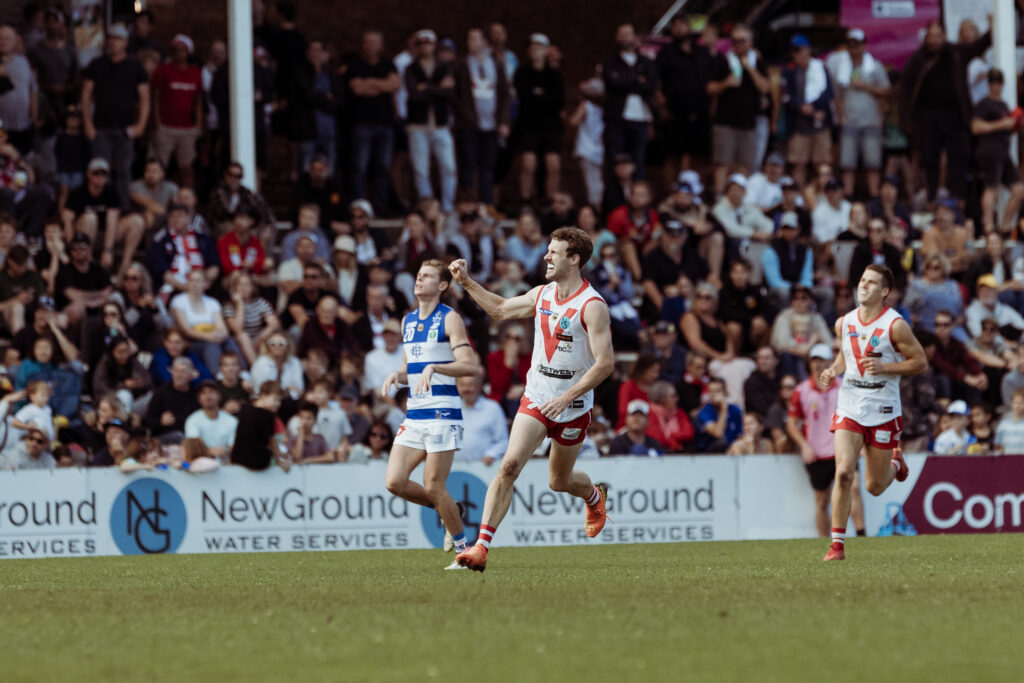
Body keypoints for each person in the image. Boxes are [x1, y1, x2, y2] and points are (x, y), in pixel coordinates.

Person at [450, 227, 614, 571]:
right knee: (509, 466)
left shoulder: (592, 305)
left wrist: (568, 396)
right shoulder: (543, 294)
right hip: (537, 397)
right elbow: (499, 309)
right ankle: (481, 548)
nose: (546, 257)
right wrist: (465, 282)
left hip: (573, 408)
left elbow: (606, 363)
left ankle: (594, 497)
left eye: (554, 252)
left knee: (559, 482)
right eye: (547, 251)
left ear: (575, 259)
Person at [819, 264, 927, 560]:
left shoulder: (895, 325)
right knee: (843, 473)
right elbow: (845, 356)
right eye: (862, 280)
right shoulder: (844, 322)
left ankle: (896, 463)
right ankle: (837, 545)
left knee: (875, 486)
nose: (863, 286)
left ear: (884, 291)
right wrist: (832, 370)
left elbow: (920, 362)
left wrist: (886, 367)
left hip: (883, 410)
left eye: (871, 283)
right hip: (850, 406)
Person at [380, 259, 479, 569]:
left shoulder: (450, 319)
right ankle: (449, 509)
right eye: (418, 275)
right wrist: (397, 375)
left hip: (442, 413)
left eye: (427, 276)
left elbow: (470, 365)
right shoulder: (407, 320)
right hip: (415, 415)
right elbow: (411, 369)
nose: (419, 280)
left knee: (434, 486)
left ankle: (464, 553)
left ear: (442, 285)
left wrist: (435, 367)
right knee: (395, 482)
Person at [786, 343, 864, 537]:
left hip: (843, 447)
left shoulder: (845, 385)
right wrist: (803, 445)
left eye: (822, 360)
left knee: (853, 487)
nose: (818, 364)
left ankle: (862, 534)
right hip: (817, 452)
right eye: (815, 360)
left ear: (831, 361)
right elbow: (791, 423)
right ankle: (826, 541)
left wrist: (860, 442)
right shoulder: (801, 391)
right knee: (822, 501)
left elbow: (858, 415)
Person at [80, 24, 150, 209]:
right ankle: (102, 207)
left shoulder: (135, 66)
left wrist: (140, 125)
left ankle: (122, 209)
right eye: (110, 38)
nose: (113, 42)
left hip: (125, 129)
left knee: (123, 171)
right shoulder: (97, 64)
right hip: (100, 127)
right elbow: (86, 94)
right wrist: (87, 123)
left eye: (117, 38)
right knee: (100, 170)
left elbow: (144, 97)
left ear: (125, 42)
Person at [831, 28, 889, 198]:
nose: (854, 49)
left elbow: (886, 91)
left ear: (864, 46)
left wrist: (866, 86)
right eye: (851, 46)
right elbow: (837, 96)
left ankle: (874, 196)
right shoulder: (842, 68)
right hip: (850, 122)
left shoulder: (875, 67)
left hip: (871, 122)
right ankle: (848, 195)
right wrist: (842, 116)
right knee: (847, 163)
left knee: (873, 164)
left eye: (857, 45)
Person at [404, 30, 457, 212]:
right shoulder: (411, 68)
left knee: (448, 167)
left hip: (440, 124)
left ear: (434, 45)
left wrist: (426, 87)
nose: (424, 46)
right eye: (421, 43)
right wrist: (437, 89)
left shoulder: (444, 66)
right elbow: (414, 94)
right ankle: (427, 208)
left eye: (428, 43)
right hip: (418, 125)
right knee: (420, 169)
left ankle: (447, 206)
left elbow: (449, 92)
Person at [514, 33, 564, 204]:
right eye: (532, 48)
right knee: (528, 165)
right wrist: (542, 98)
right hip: (529, 125)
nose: (535, 51)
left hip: (551, 126)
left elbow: (558, 101)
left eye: (539, 48)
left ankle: (551, 202)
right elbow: (525, 97)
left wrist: (538, 97)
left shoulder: (554, 75)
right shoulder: (522, 73)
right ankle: (525, 200)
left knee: (554, 166)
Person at [149, 34, 202, 188]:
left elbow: (198, 101)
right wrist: (157, 122)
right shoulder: (163, 71)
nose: (179, 53)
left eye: (183, 50)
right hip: (165, 126)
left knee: (186, 167)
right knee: (159, 166)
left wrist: (198, 124)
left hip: (187, 128)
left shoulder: (195, 73)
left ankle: (187, 199)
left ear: (188, 52)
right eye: (176, 50)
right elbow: (155, 98)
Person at [231, 380, 290, 471]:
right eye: (275, 399)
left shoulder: (246, 409)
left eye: (279, 401)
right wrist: (279, 460)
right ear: (262, 396)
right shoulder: (267, 414)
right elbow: (271, 440)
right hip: (257, 461)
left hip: (237, 459)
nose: (278, 404)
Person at [455, 368, 508, 465]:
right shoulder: (452, 408)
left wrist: (492, 454)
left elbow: (503, 441)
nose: (466, 389)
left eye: (470, 385)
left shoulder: (492, 408)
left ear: (479, 386)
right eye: (462, 385)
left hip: (484, 471)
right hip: (453, 470)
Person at [143, 355, 200, 442]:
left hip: (189, 435)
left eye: (183, 371)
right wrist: (160, 421)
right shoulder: (161, 392)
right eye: (176, 371)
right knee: (179, 436)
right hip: (164, 437)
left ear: (191, 375)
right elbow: (147, 420)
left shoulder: (196, 394)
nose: (179, 375)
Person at [183, 380, 237, 461]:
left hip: (226, 466)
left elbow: (233, 448)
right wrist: (210, 451)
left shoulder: (232, 420)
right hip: (200, 466)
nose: (208, 396)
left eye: (211, 392)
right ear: (199, 399)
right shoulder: (192, 420)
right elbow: (192, 448)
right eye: (203, 393)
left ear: (219, 396)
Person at [995, 388, 1024, 454]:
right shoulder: (1003, 424)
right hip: (1008, 460)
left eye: (1021, 403)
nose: (1018, 406)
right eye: (1015, 402)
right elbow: (998, 445)